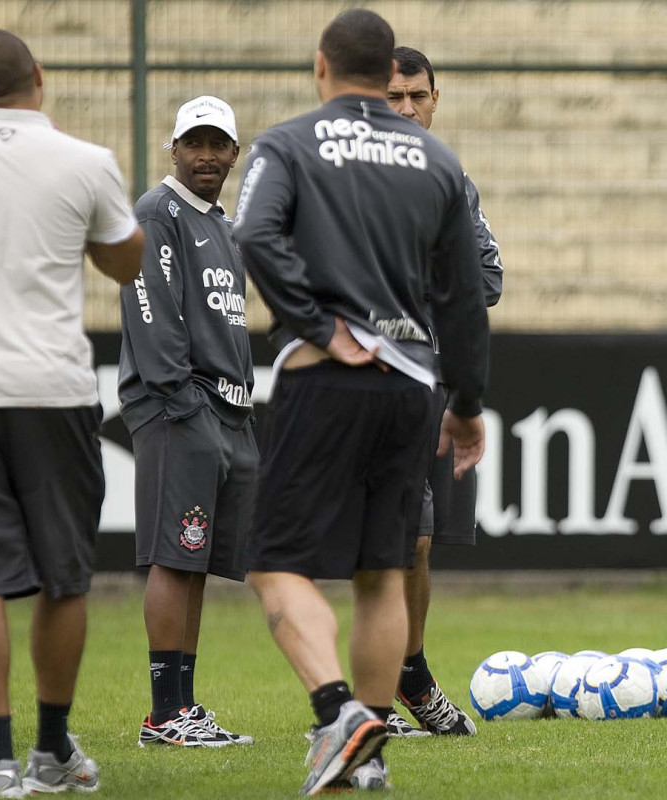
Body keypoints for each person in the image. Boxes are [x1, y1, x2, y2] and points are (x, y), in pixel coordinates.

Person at [232, 9, 490, 794]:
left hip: (326, 375)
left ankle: (338, 711)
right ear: (390, 79)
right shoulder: (437, 161)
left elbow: (252, 236)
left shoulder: (288, 144)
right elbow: (465, 297)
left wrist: (315, 322)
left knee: (275, 563)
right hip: (414, 386)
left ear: (321, 67)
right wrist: (468, 402)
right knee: (383, 572)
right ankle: (366, 760)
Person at [0, 29, 144, 796]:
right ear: (40, 77)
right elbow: (125, 262)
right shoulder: (85, 161)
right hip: (53, 387)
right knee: (64, 576)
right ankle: (52, 753)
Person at [118, 95, 257, 748]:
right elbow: (152, 313)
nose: (206, 155)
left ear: (234, 152)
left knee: (194, 559)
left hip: (224, 408)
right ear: (173, 149)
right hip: (180, 407)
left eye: (217, 144)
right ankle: (163, 713)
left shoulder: (223, 225)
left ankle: (182, 708)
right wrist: (184, 403)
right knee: (174, 557)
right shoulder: (158, 211)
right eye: (193, 143)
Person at [383, 45, 504, 738]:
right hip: (366, 380)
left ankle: (407, 674)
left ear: (436, 98)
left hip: (431, 382)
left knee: (419, 538)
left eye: (416, 96)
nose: (406, 109)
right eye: (393, 96)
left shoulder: (452, 179)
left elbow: (487, 277)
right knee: (394, 537)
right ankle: (371, 695)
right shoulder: (351, 178)